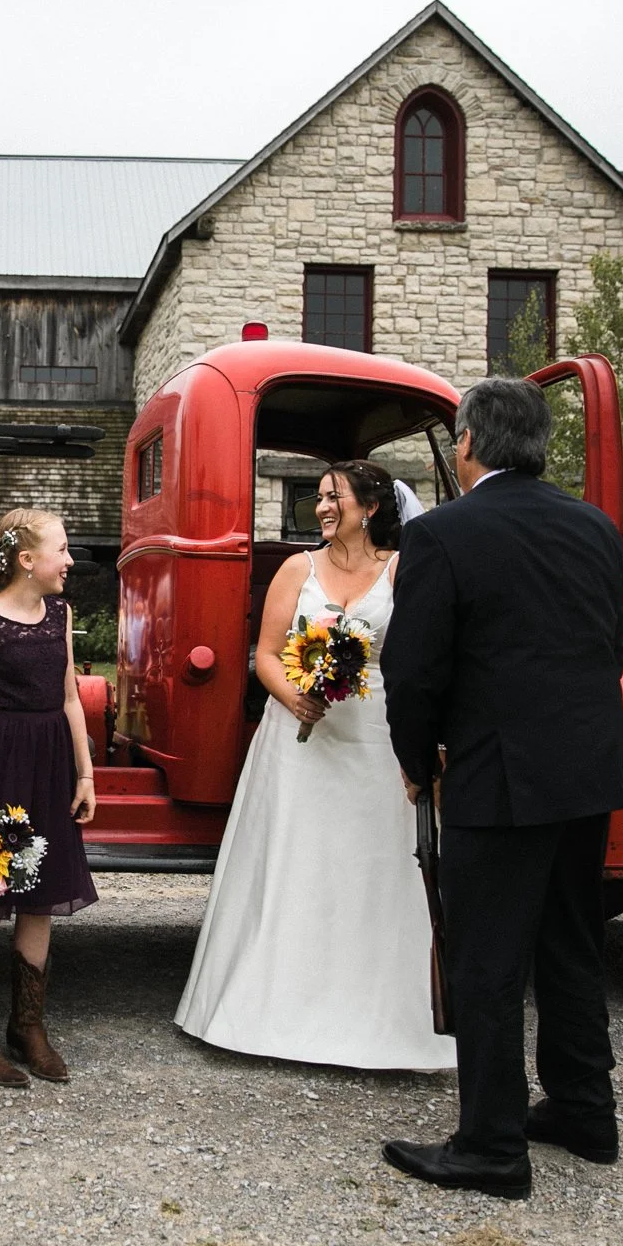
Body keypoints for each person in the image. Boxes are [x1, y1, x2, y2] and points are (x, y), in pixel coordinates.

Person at [379, 378, 623, 1200]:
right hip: (587, 770)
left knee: (485, 961)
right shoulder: (596, 528)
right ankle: (586, 1110)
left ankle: (491, 1144)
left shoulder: (443, 533)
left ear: (466, 442)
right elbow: (610, 648)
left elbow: (413, 669)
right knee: (571, 945)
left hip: (497, 773)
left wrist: (417, 760)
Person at [174, 460, 455, 1073]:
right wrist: (295, 696)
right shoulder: (296, 569)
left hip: (375, 736)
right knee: (296, 861)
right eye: (319, 497)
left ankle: (382, 1021)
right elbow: (266, 655)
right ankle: (270, 1013)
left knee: (372, 868)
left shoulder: (402, 571)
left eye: (335, 497)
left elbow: (417, 657)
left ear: (371, 508)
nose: (323, 507)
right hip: (298, 737)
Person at [0, 509, 98, 1087]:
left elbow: (70, 698)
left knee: (42, 896)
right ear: (27, 560)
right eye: (62, 549)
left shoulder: (60, 612)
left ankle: (27, 1026)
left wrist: (85, 775)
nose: (70, 560)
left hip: (50, 763)